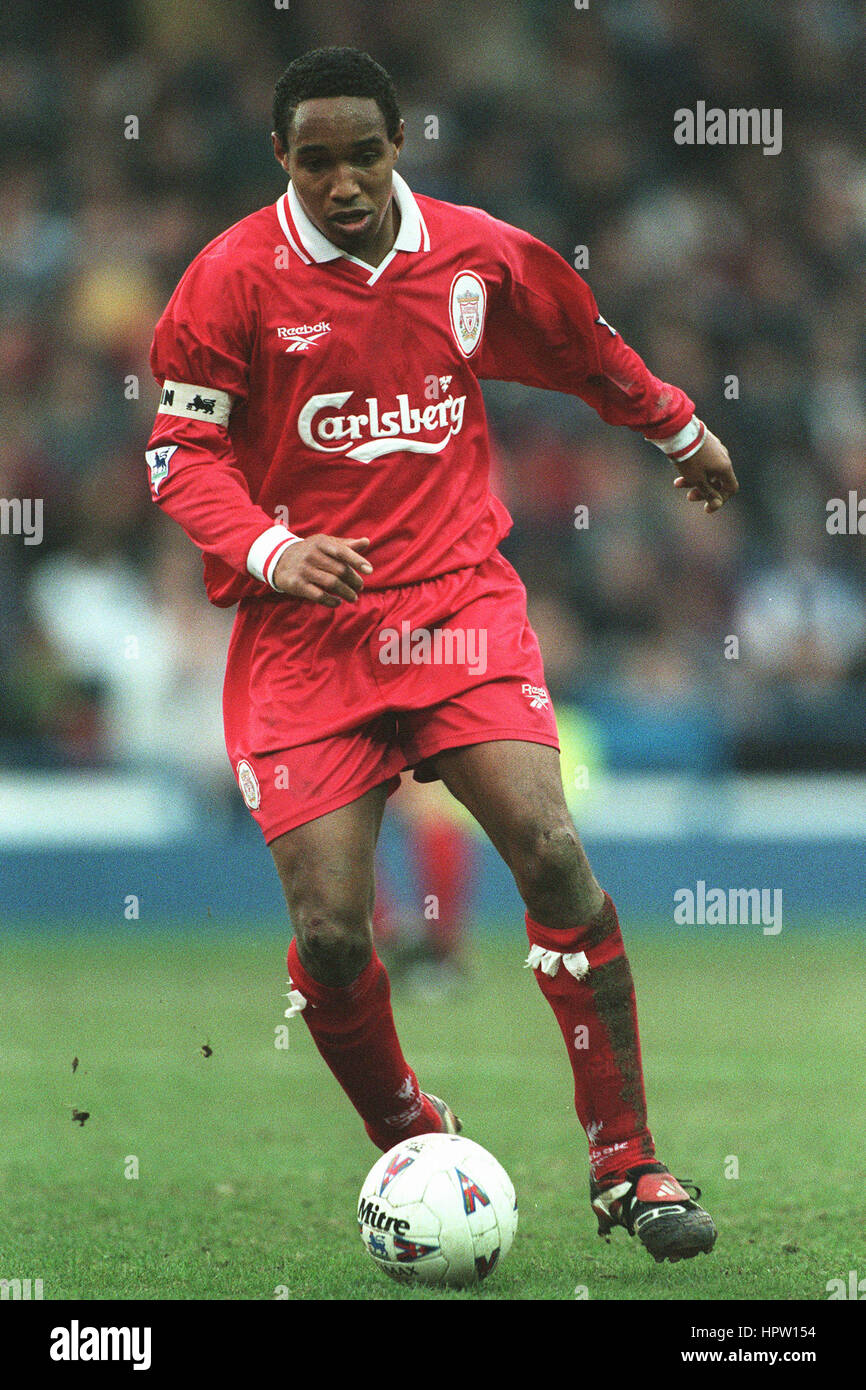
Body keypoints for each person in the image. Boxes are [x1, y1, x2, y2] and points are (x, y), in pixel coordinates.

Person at [145, 46, 738, 1264]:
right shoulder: (225, 283)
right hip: (303, 636)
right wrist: (268, 549)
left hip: (454, 604)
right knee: (330, 933)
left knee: (551, 847)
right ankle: (411, 1128)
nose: (344, 180)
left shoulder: (475, 252)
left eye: (363, 153)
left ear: (399, 143)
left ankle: (629, 1165)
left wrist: (676, 424)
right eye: (316, 159)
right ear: (280, 160)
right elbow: (176, 459)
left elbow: (580, 346)